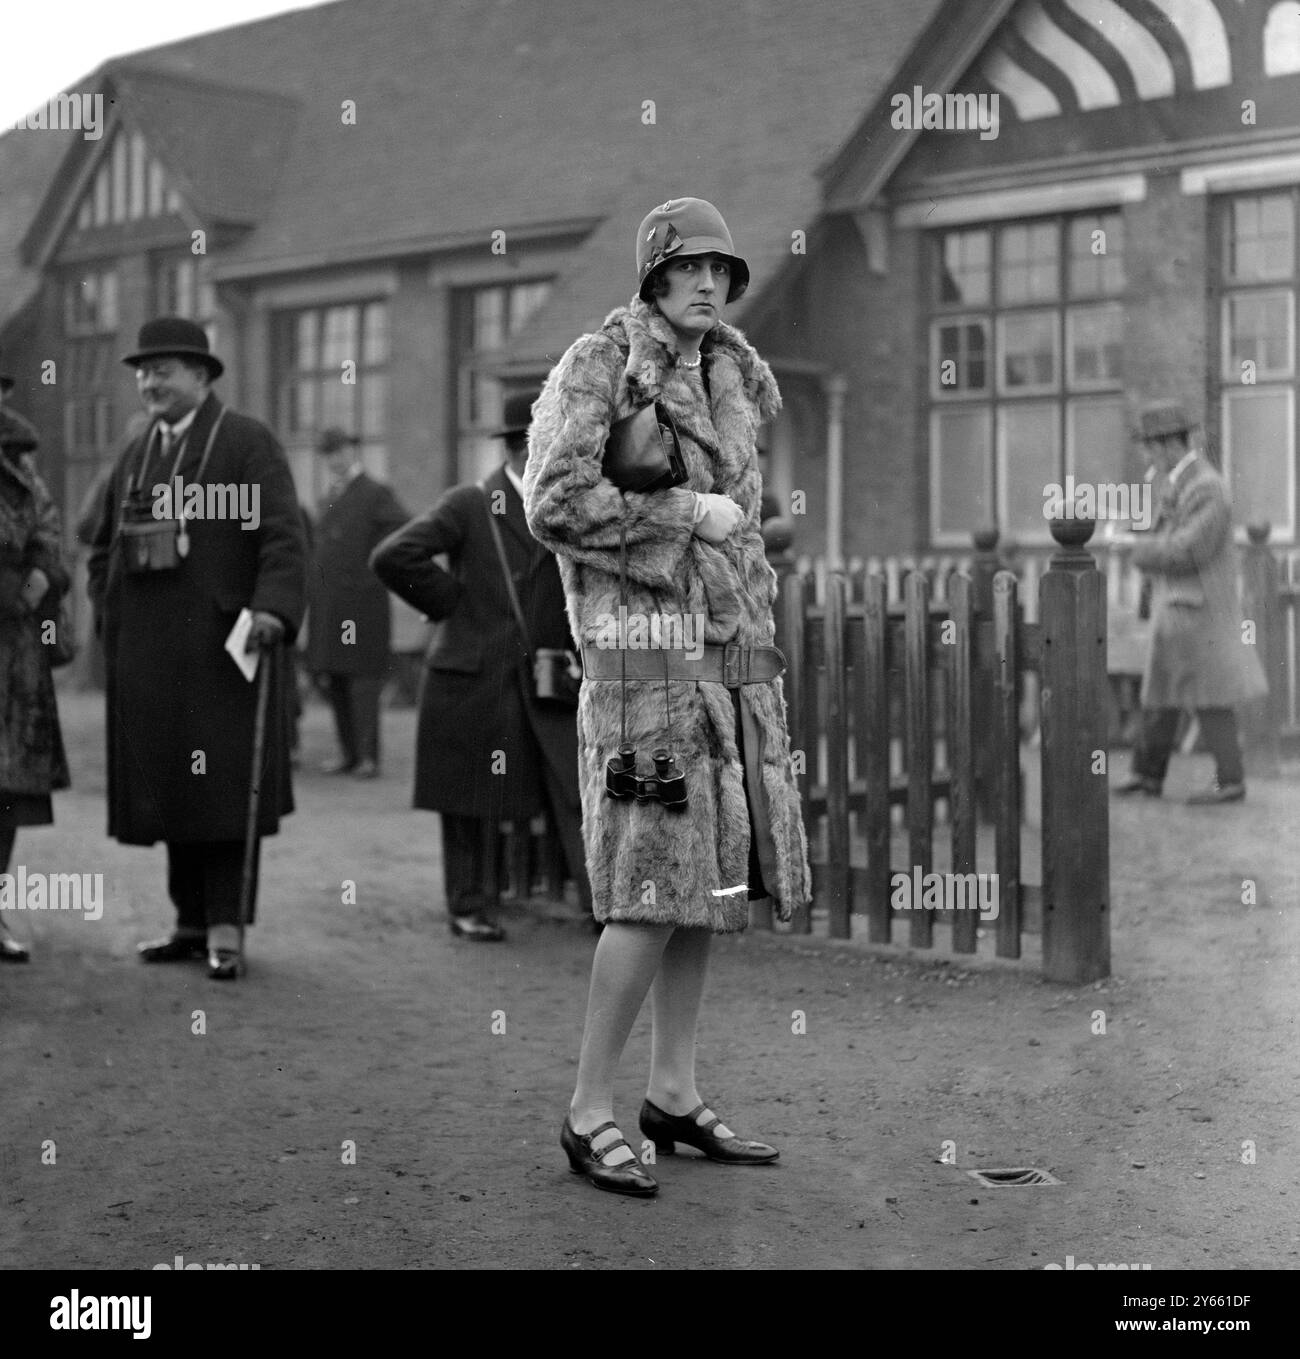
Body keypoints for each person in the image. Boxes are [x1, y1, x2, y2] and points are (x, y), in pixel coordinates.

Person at [524, 197, 811, 1196]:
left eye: (719, 269)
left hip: (726, 669)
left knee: (707, 893)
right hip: (642, 670)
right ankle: (587, 1109)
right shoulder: (600, 365)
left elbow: (745, 537)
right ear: (650, 278)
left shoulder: (730, 377)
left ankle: (674, 1094)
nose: (706, 282)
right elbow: (552, 502)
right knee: (647, 889)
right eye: (684, 267)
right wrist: (682, 511)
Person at [87, 317, 307, 980]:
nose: (149, 382)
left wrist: (271, 608)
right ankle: (186, 922)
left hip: (222, 653)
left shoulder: (244, 442)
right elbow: (100, 545)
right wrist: (111, 609)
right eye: (142, 371)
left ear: (203, 375)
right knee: (172, 788)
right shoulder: (136, 452)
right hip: (151, 657)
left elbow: (282, 537)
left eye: (164, 369)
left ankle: (225, 927)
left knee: (222, 788)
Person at [371, 390, 592, 941]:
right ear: (523, 447)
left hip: (547, 676)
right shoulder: (471, 504)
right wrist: (452, 604)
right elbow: (393, 556)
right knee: (470, 798)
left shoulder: (566, 506)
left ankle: (600, 907)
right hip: (475, 677)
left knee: (574, 787)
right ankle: (468, 906)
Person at [1115, 399, 1268, 804]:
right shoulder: (1189, 483)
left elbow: (1188, 550)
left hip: (1200, 609)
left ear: (1168, 445)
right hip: (1185, 605)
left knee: (1208, 696)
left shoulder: (1206, 487)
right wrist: (1141, 539)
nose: (1147, 455)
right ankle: (1146, 775)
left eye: (1149, 447)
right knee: (1163, 690)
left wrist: (1135, 545)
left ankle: (1230, 780)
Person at [0, 383, 71, 963]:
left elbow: (49, 538)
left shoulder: (21, 469)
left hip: (12, 656)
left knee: (5, 792)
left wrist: (40, 580)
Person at [304, 427, 409, 777]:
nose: (335, 459)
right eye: (328, 454)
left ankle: (367, 757)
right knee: (335, 679)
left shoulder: (375, 493)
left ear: (353, 450)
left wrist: (371, 575)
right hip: (329, 607)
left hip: (362, 608)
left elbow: (403, 533)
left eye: (341, 451)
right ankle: (348, 754)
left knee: (362, 682)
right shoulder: (329, 496)